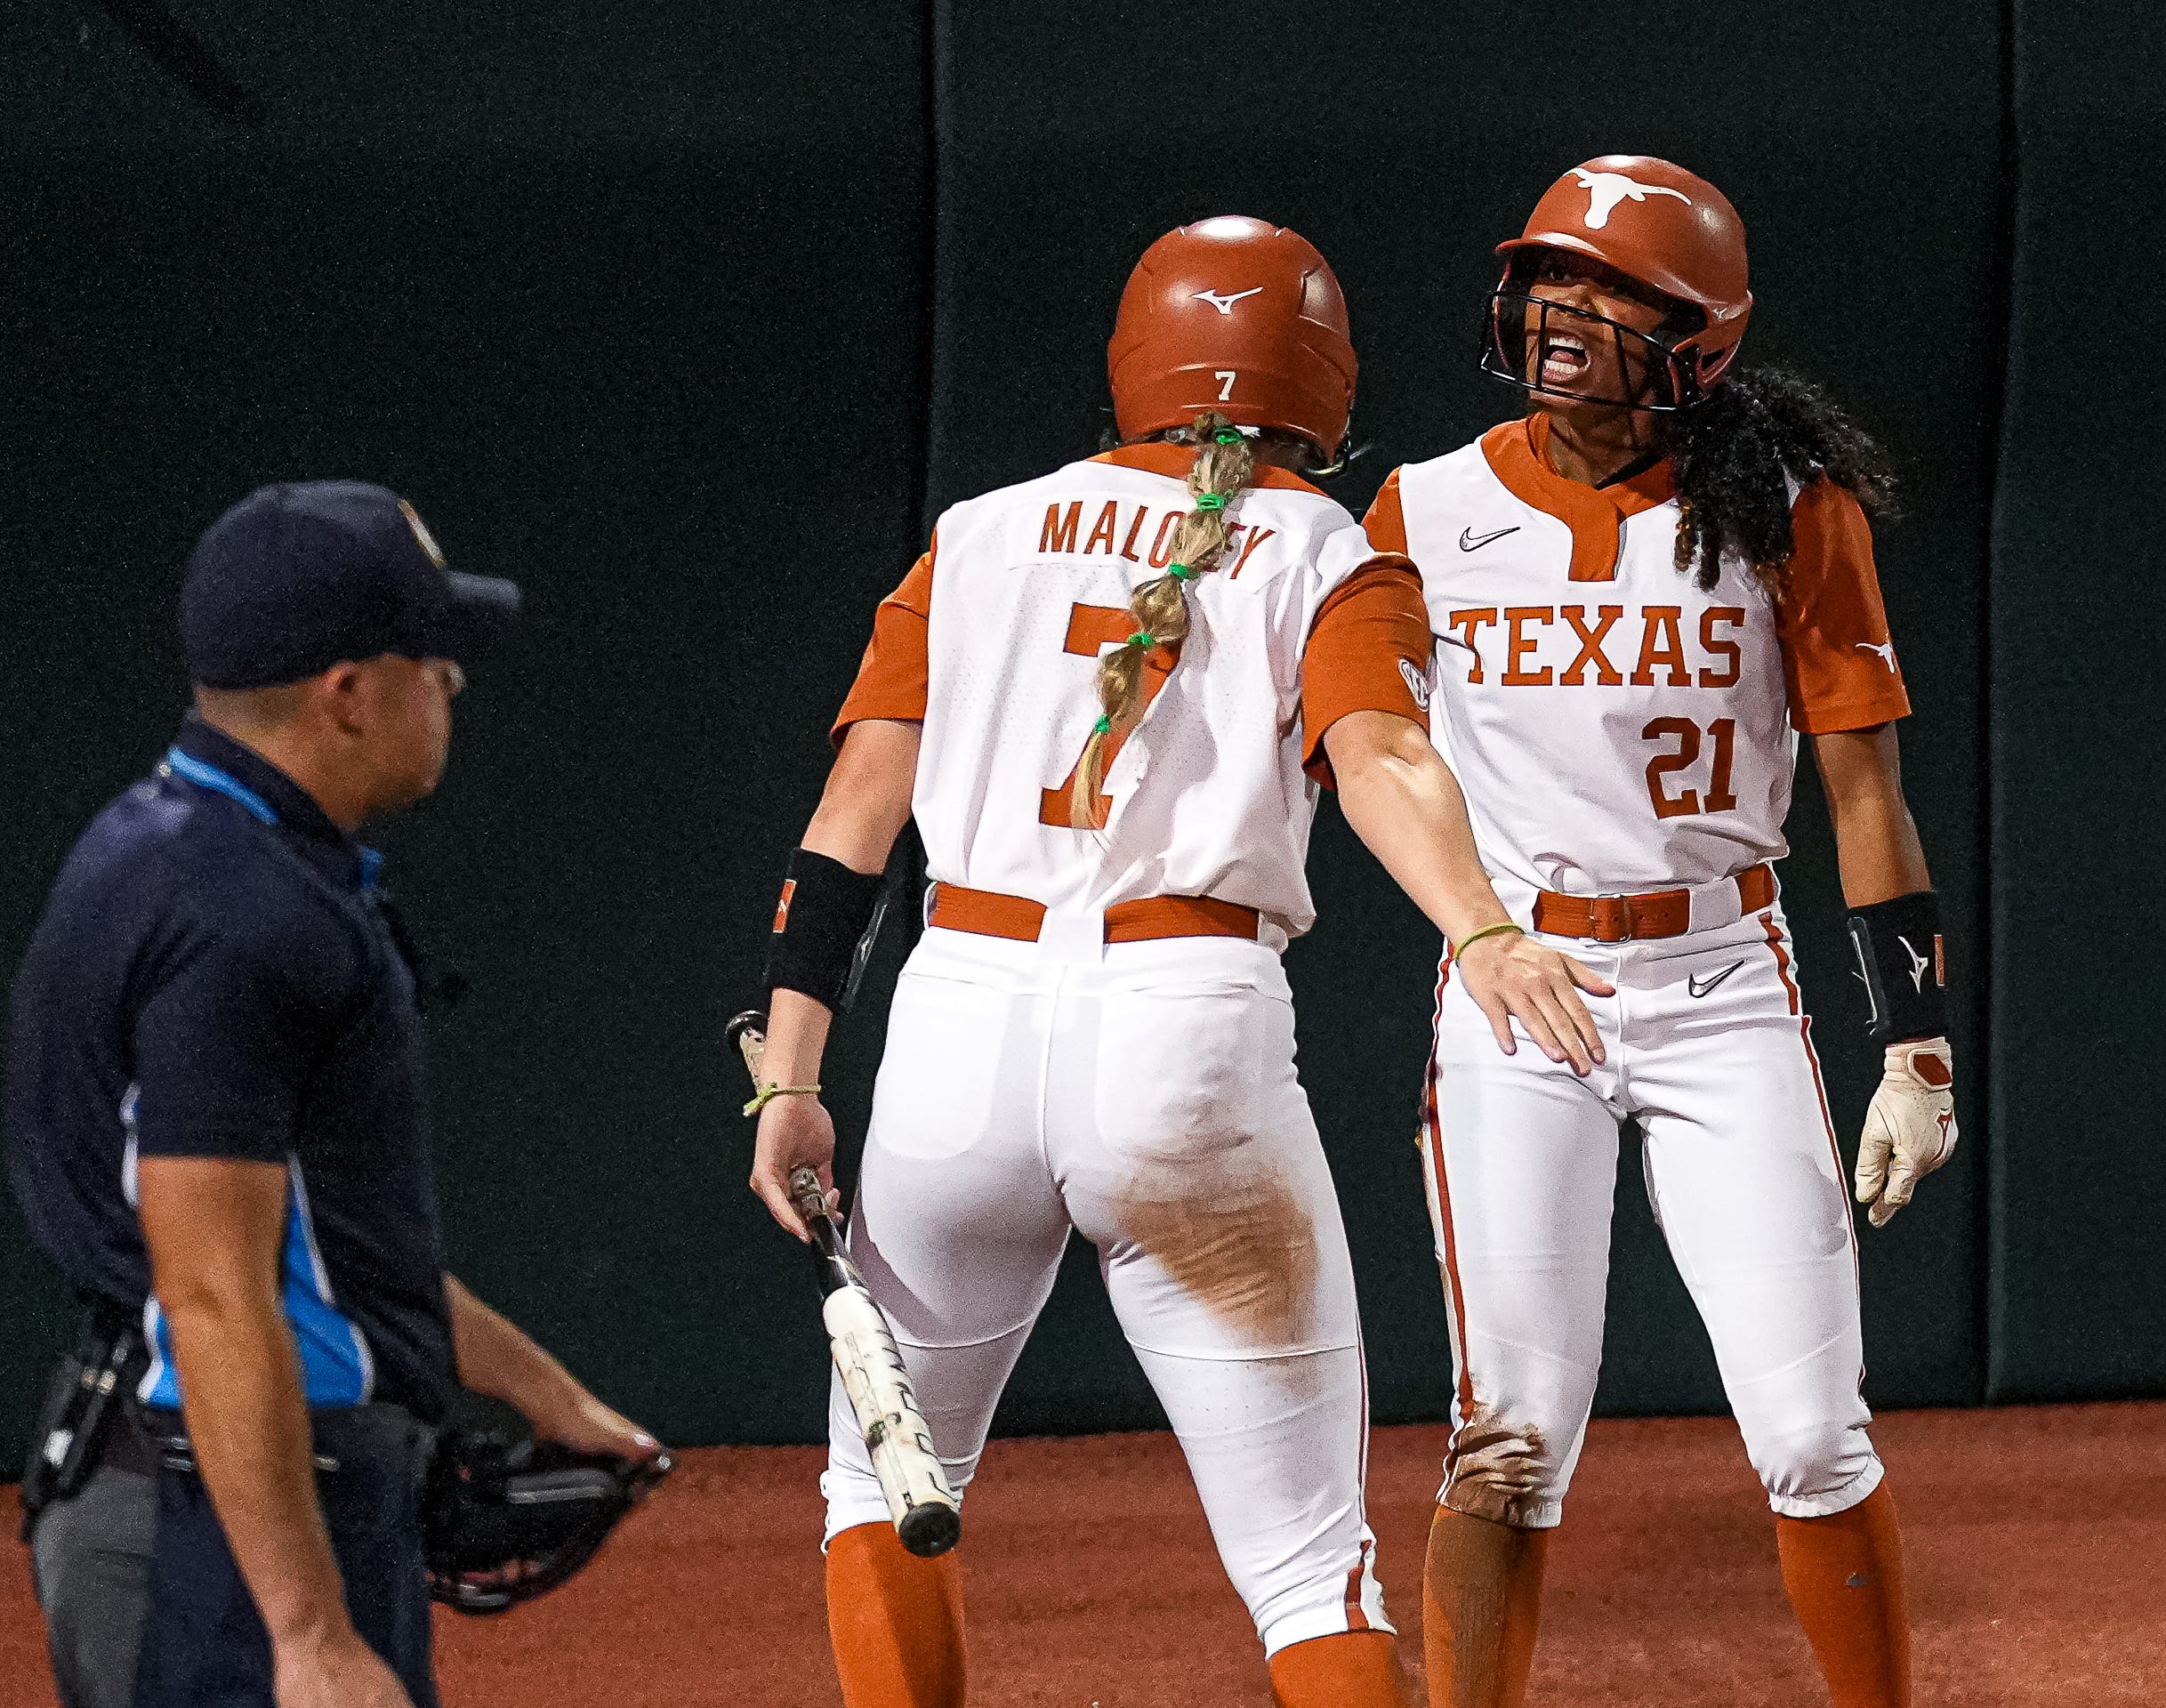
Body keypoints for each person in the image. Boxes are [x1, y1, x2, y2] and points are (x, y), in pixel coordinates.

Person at [744, 216, 1608, 1708]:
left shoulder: (980, 530)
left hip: (958, 1026)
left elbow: (846, 828)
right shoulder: (1331, 545)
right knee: (1307, 1570)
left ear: (1136, 362)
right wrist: (1478, 920)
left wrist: (790, 1076)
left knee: (881, 1487)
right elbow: (1387, 756)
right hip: (1184, 1029)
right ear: (1319, 380)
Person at [1360, 157, 1960, 1708]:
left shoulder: (1785, 507)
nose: (1567, 310)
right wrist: (1477, 926)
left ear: (1702, 338)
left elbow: (1865, 788)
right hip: (1519, 985)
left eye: (1617, 290)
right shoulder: (1423, 505)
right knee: (1507, 1434)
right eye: (1552, 275)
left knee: (1816, 1431)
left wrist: (1917, 1042)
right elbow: (1375, 755)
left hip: (1720, 979)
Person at [5, 481, 659, 1708]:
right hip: (225, 1523)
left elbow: (315, 1243)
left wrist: (537, 1389)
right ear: (347, 693)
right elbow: (213, 1289)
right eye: (431, 657)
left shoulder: (173, 842)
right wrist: (304, 1631)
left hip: (197, 1486)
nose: (454, 684)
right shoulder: (240, 919)